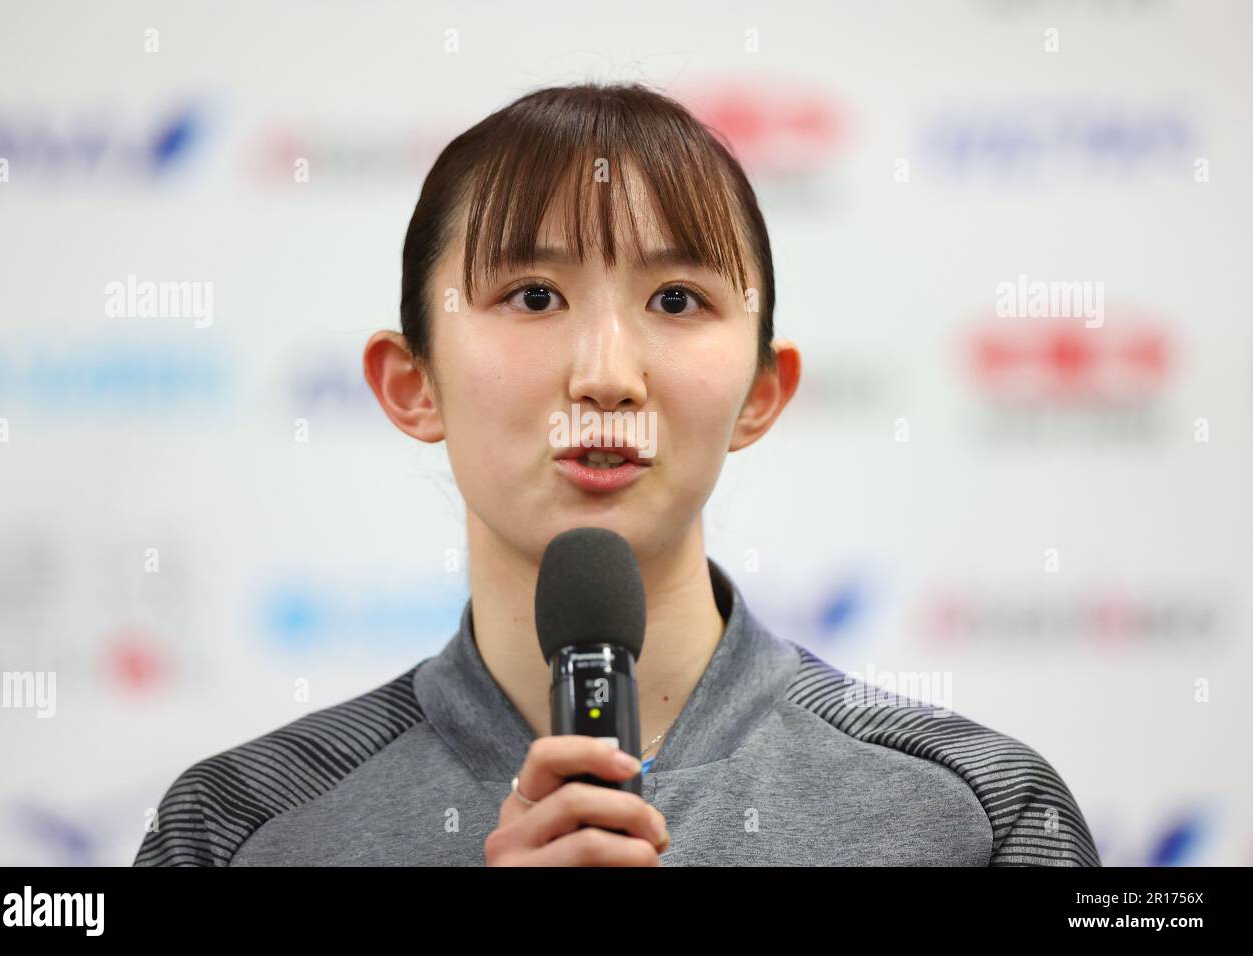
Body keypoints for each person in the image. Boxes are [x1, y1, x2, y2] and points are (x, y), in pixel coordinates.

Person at [134, 81, 1100, 867]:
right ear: (411, 383)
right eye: (533, 295)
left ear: (762, 392)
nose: (605, 374)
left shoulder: (975, 817)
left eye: (676, 299)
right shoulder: (239, 831)